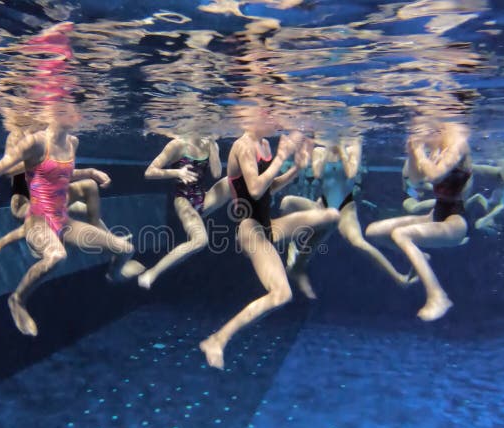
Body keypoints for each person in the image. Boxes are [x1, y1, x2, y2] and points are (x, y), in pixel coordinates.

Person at [0, 103, 143, 336]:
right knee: (57, 256)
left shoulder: (73, 143)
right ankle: (17, 300)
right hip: (38, 220)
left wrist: (90, 172)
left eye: (79, 109)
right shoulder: (36, 142)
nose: (79, 115)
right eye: (73, 109)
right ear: (54, 111)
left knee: (125, 249)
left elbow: (62, 174)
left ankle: (113, 274)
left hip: (63, 220)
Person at [199, 113, 339, 370]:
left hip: (267, 225)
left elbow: (268, 188)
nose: (276, 121)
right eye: (269, 113)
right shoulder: (243, 145)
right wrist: (282, 158)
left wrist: (296, 168)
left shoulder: (263, 145)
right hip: (250, 230)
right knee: (281, 294)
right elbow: (253, 190)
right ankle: (217, 339)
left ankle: (297, 265)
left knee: (331, 215)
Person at [280, 134, 415, 299]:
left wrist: (342, 150)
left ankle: (399, 277)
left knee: (358, 243)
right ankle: (292, 249)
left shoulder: (354, 145)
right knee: (287, 203)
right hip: (322, 205)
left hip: (345, 208)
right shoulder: (319, 150)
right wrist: (329, 148)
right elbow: (317, 174)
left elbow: (351, 173)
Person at [364, 120, 472, 321]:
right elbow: (415, 179)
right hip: (435, 215)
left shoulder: (457, 142)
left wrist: (420, 153)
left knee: (401, 234)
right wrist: (413, 152)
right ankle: (420, 256)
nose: (421, 137)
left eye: (422, 132)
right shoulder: (436, 149)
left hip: (457, 220)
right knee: (373, 231)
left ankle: (438, 295)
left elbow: (434, 176)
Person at [137, 134, 231, 289]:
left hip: (203, 198)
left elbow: (216, 174)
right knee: (201, 240)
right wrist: (177, 173)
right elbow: (150, 172)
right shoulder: (178, 144)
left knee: (231, 182)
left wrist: (213, 146)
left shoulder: (210, 144)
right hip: (183, 200)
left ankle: (256, 212)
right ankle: (152, 273)